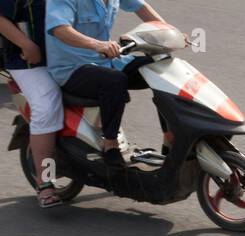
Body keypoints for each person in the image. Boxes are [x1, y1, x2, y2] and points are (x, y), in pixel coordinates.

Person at [44, 0, 164, 169]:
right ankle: (110, 144)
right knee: (114, 81)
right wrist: (98, 44)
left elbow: (142, 8)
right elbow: (60, 29)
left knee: (159, 68)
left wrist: (170, 33)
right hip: (72, 68)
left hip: (109, 60)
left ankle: (171, 139)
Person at [0, 0, 62, 206]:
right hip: (29, 59)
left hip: (70, 55)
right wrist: (26, 44)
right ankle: (46, 181)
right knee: (47, 106)